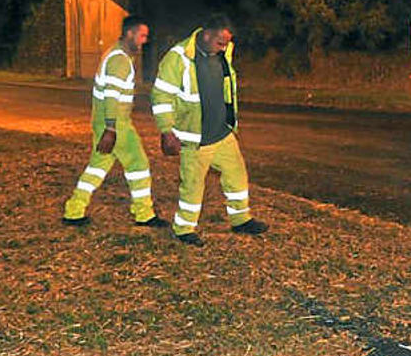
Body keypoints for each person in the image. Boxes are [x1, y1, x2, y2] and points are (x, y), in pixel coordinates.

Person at [151, 15, 267, 245]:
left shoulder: (224, 52)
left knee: (237, 176)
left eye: (226, 43)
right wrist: (166, 131)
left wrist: (231, 123)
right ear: (206, 35)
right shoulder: (178, 58)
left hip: (222, 133)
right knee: (192, 185)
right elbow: (162, 94)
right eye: (220, 42)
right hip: (196, 139)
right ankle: (184, 229)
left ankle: (241, 219)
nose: (224, 47)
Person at [63, 15, 167, 227]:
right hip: (115, 123)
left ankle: (73, 211)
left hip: (105, 121)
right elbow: (112, 96)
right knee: (138, 164)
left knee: (97, 166)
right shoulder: (119, 60)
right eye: (142, 35)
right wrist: (111, 128)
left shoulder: (114, 54)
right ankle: (144, 214)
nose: (144, 41)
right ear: (130, 33)